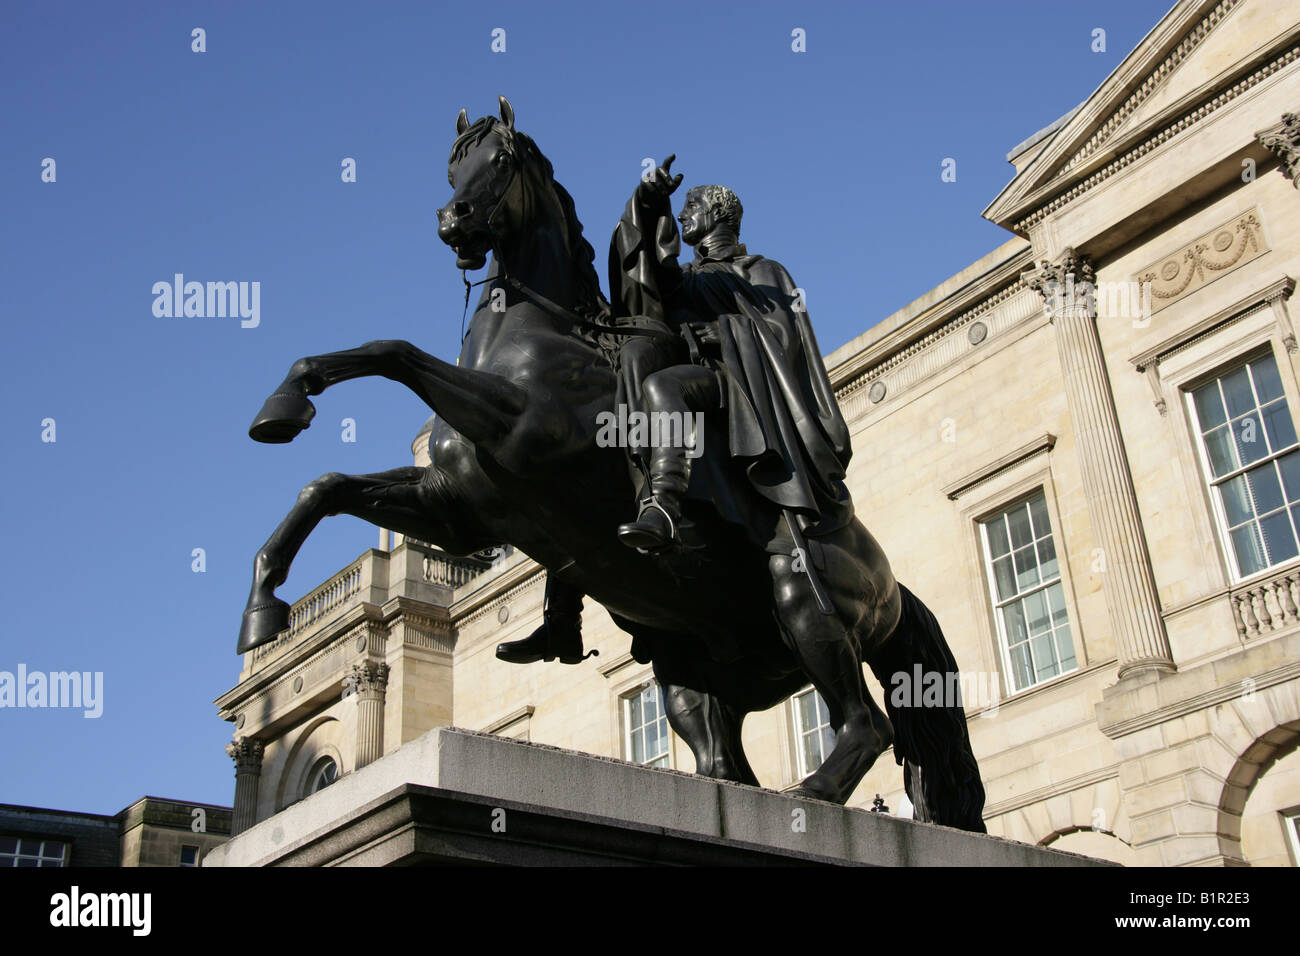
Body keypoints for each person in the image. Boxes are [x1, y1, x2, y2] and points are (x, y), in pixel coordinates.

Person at [496, 157, 854, 664]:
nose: (685, 216)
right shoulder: (691, 277)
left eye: (691, 207)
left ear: (719, 215)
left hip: (741, 390)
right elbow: (655, 279)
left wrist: (720, 335)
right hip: (700, 383)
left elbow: (781, 340)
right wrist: (649, 201)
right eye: (681, 208)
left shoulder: (763, 272)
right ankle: (562, 619)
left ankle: (663, 503)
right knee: (588, 458)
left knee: (664, 388)